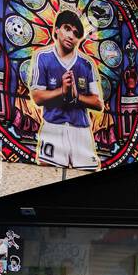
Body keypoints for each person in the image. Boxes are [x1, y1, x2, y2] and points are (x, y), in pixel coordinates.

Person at [30, 10, 103, 169]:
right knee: (47, 174)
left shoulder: (86, 64)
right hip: (53, 126)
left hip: (81, 129)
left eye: (76, 33)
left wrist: (76, 97)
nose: (71, 35)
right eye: (67, 28)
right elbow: (37, 97)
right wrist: (61, 91)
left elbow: (98, 103)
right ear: (56, 29)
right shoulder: (43, 57)